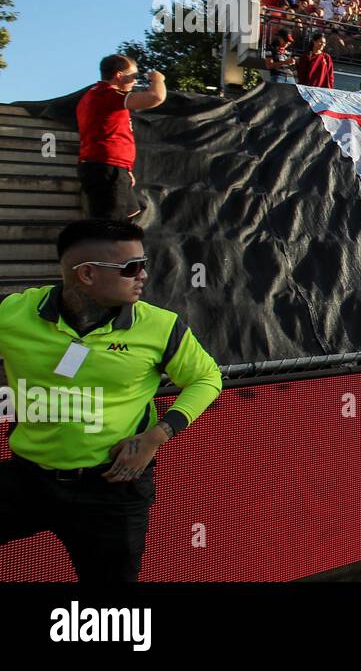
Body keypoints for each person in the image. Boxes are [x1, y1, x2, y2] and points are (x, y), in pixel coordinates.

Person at [0, 219, 223, 581]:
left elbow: (206, 378)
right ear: (86, 274)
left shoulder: (161, 327)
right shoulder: (12, 314)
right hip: (27, 479)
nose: (144, 276)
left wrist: (157, 435)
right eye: (130, 268)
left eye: (144, 263)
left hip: (112, 488)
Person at [76, 55, 167, 221]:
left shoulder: (94, 95)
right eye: (133, 76)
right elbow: (155, 97)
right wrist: (157, 80)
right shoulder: (107, 94)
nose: (134, 81)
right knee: (110, 223)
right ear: (119, 75)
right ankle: (106, 246)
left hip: (111, 167)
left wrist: (125, 169)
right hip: (106, 167)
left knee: (129, 214)